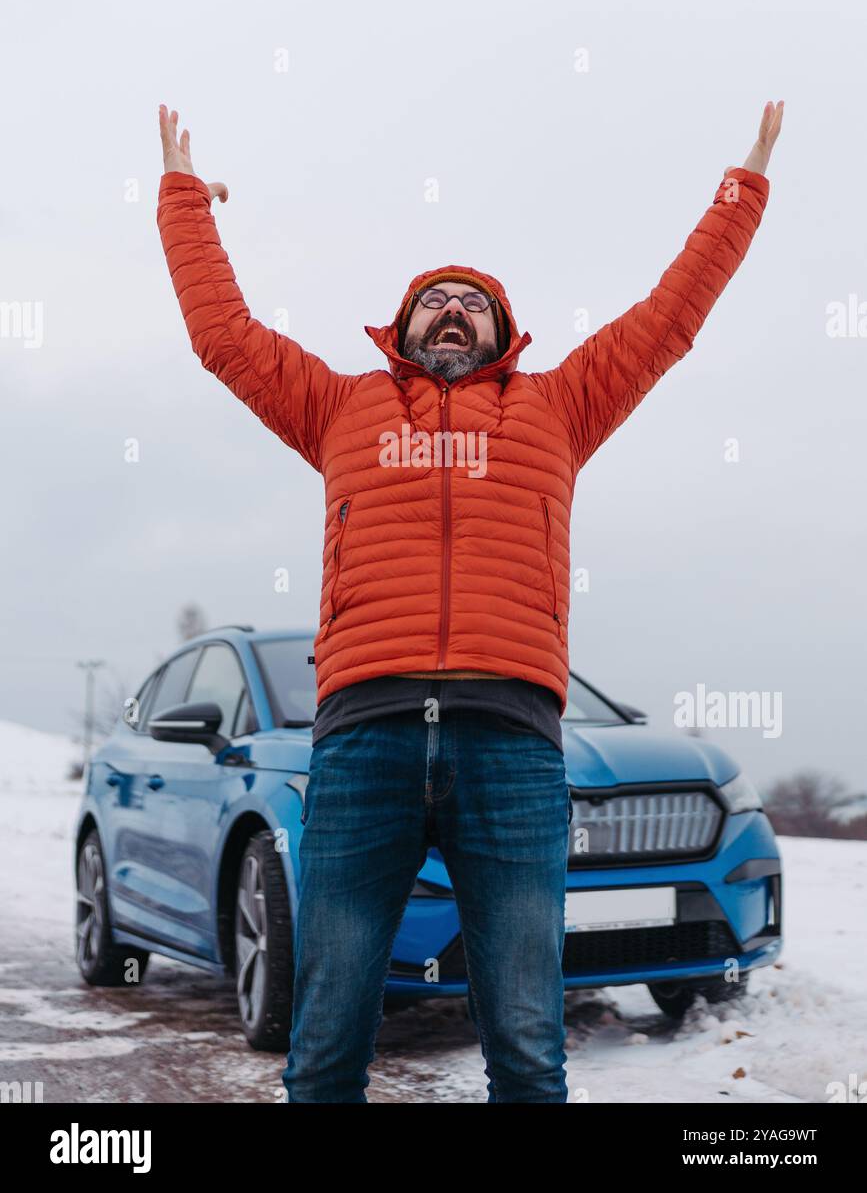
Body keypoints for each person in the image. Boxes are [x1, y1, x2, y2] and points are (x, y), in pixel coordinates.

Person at [156, 99, 783, 1102]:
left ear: (504, 332)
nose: (452, 309)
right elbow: (224, 337)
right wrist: (184, 200)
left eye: (473, 301)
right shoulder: (340, 407)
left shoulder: (561, 406)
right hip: (365, 738)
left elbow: (672, 317)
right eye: (433, 300)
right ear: (402, 330)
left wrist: (741, 185)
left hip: (511, 741)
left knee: (529, 1046)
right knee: (325, 1046)